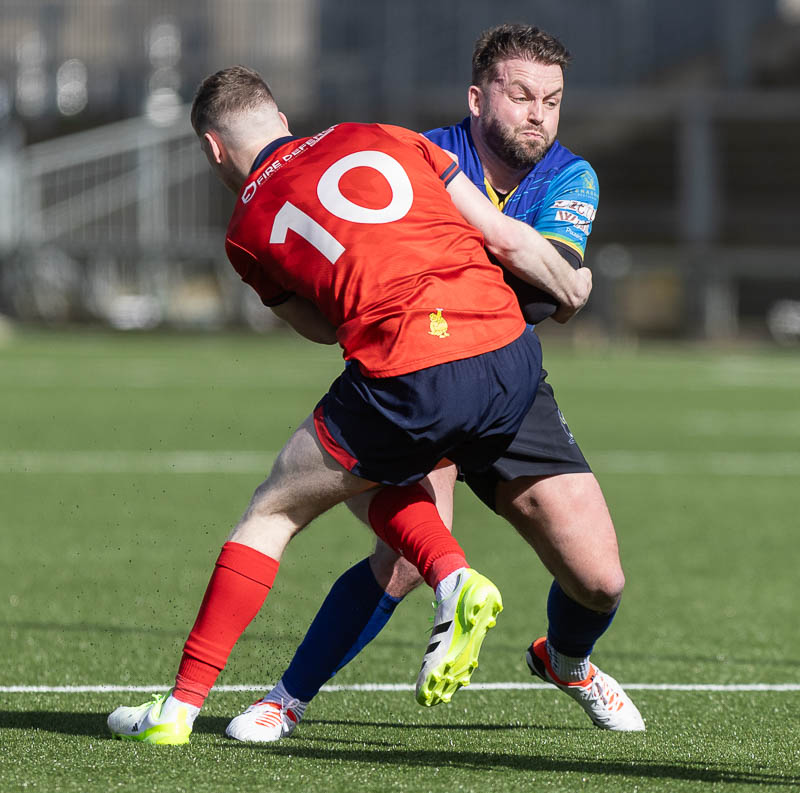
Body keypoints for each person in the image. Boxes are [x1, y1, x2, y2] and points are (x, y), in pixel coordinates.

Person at [106, 64, 592, 745]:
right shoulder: (384, 135)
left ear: (215, 150)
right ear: (279, 118)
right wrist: (570, 291)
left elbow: (315, 325)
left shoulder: (245, 226)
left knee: (275, 507)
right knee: (370, 479)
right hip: (511, 353)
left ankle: (178, 709)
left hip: (413, 370)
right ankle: (450, 578)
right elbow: (508, 239)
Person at [247, 23, 646, 741]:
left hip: (509, 382)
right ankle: (284, 699)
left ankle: (566, 660)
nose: (538, 114)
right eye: (521, 95)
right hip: (415, 375)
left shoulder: (568, 176)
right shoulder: (417, 155)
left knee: (600, 581)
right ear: (476, 97)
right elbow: (542, 284)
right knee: (401, 562)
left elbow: (533, 293)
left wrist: (486, 273)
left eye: (552, 100)